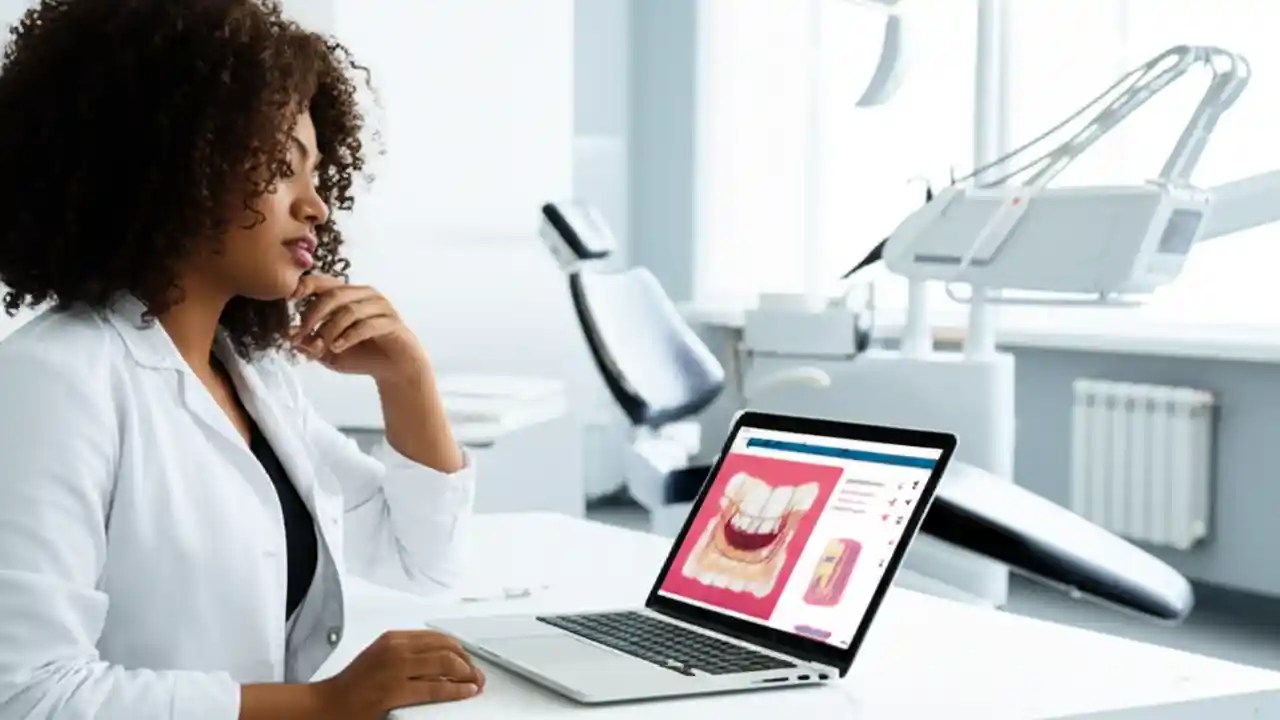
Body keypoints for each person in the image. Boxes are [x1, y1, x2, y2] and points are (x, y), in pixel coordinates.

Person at [0, 1, 488, 718]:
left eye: (318, 173)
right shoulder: (56, 380)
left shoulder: (247, 377)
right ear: (173, 165)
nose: (316, 206)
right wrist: (321, 704)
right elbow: (29, 692)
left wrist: (407, 380)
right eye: (280, 168)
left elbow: (423, 562)